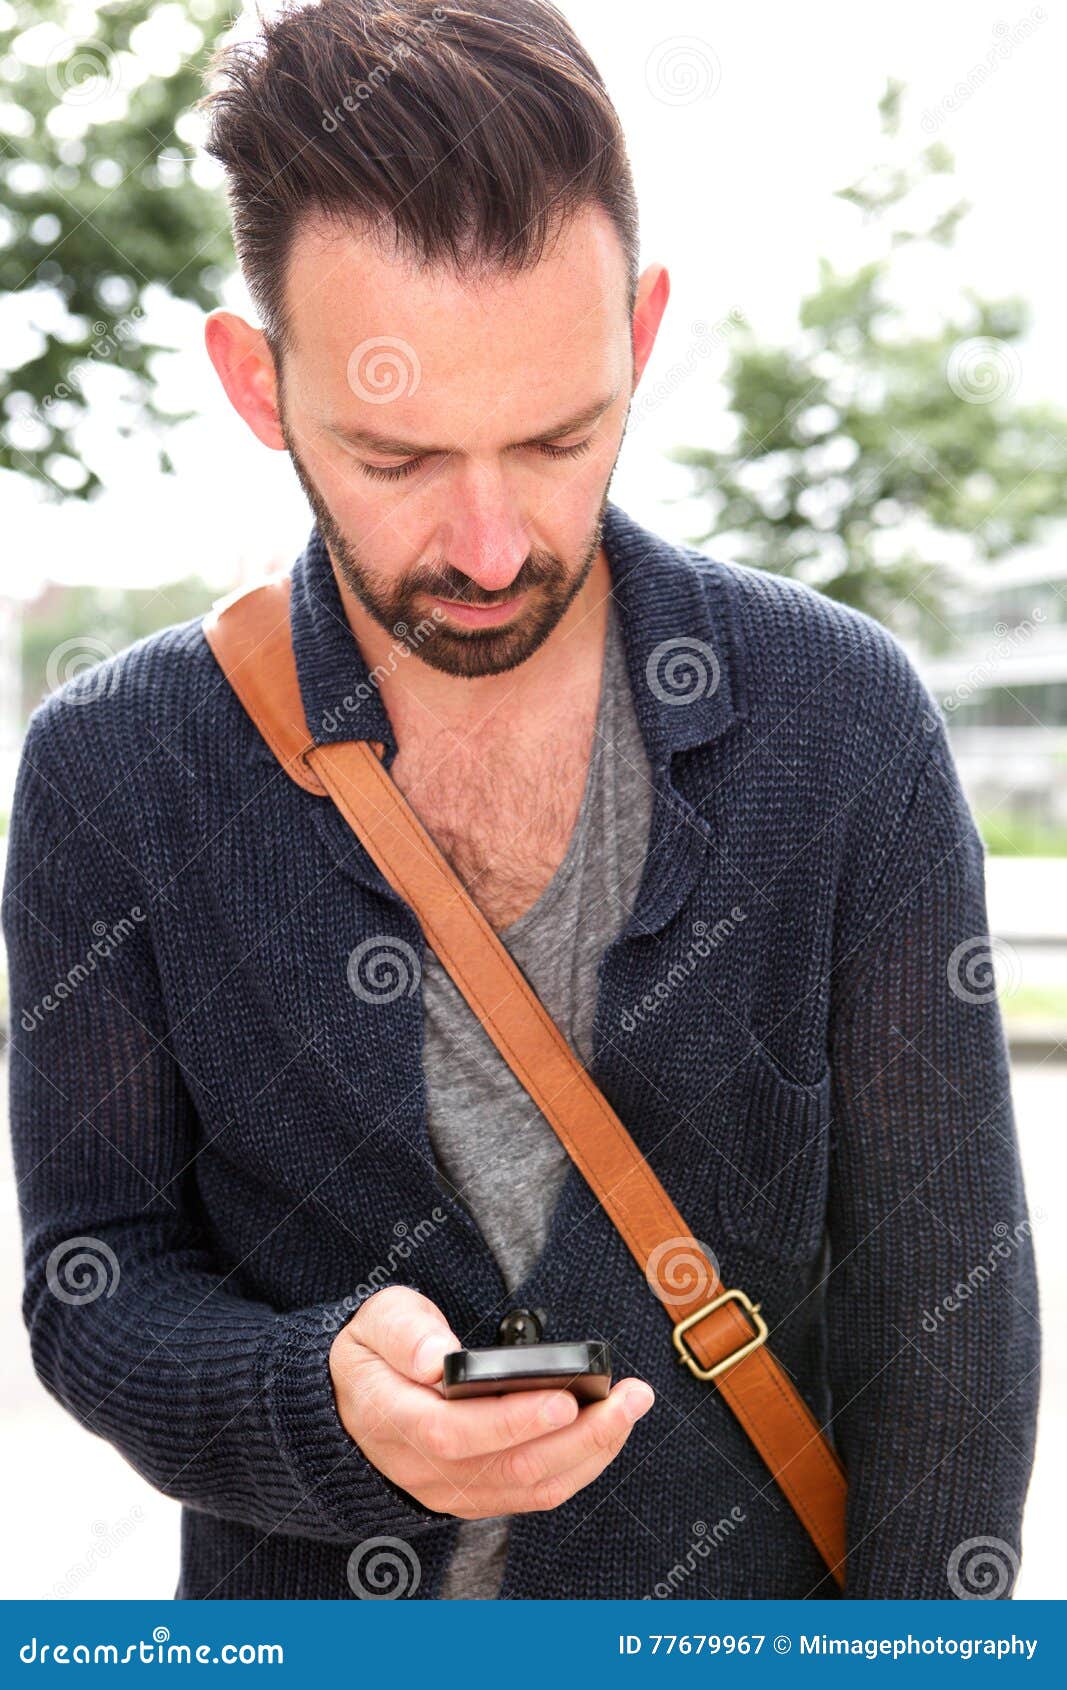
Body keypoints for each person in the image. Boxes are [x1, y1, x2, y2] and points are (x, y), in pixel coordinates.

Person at [4, 0, 1038, 1602]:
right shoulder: (111, 772)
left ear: (642, 333)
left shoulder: (844, 720)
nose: (492, 546)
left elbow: (949, 1313)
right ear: (256, 382)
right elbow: (96, 1285)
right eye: (398, 457)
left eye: (560, 437)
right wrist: (318, 1400)